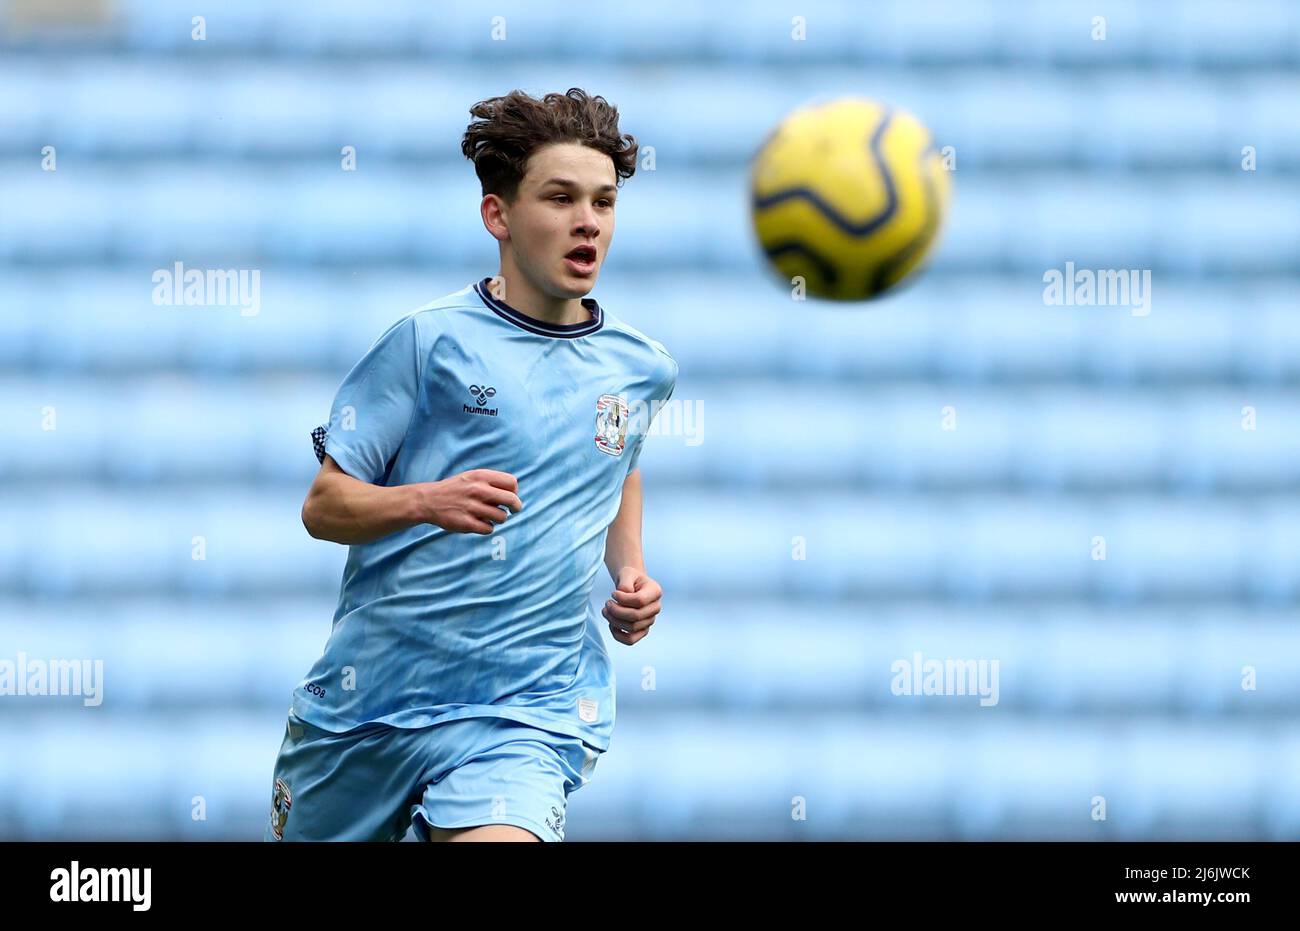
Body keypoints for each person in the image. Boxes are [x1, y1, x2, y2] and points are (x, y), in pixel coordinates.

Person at [264, 87, 678, 842]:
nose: (587, 220)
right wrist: (425, 501)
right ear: (499, 215)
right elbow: (324, 507)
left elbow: (620, 465)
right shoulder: (427, 343)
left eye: (604, 201)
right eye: (560, 197)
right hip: (367, 710)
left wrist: (632, 574)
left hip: (521, 715)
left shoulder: (641, 368)